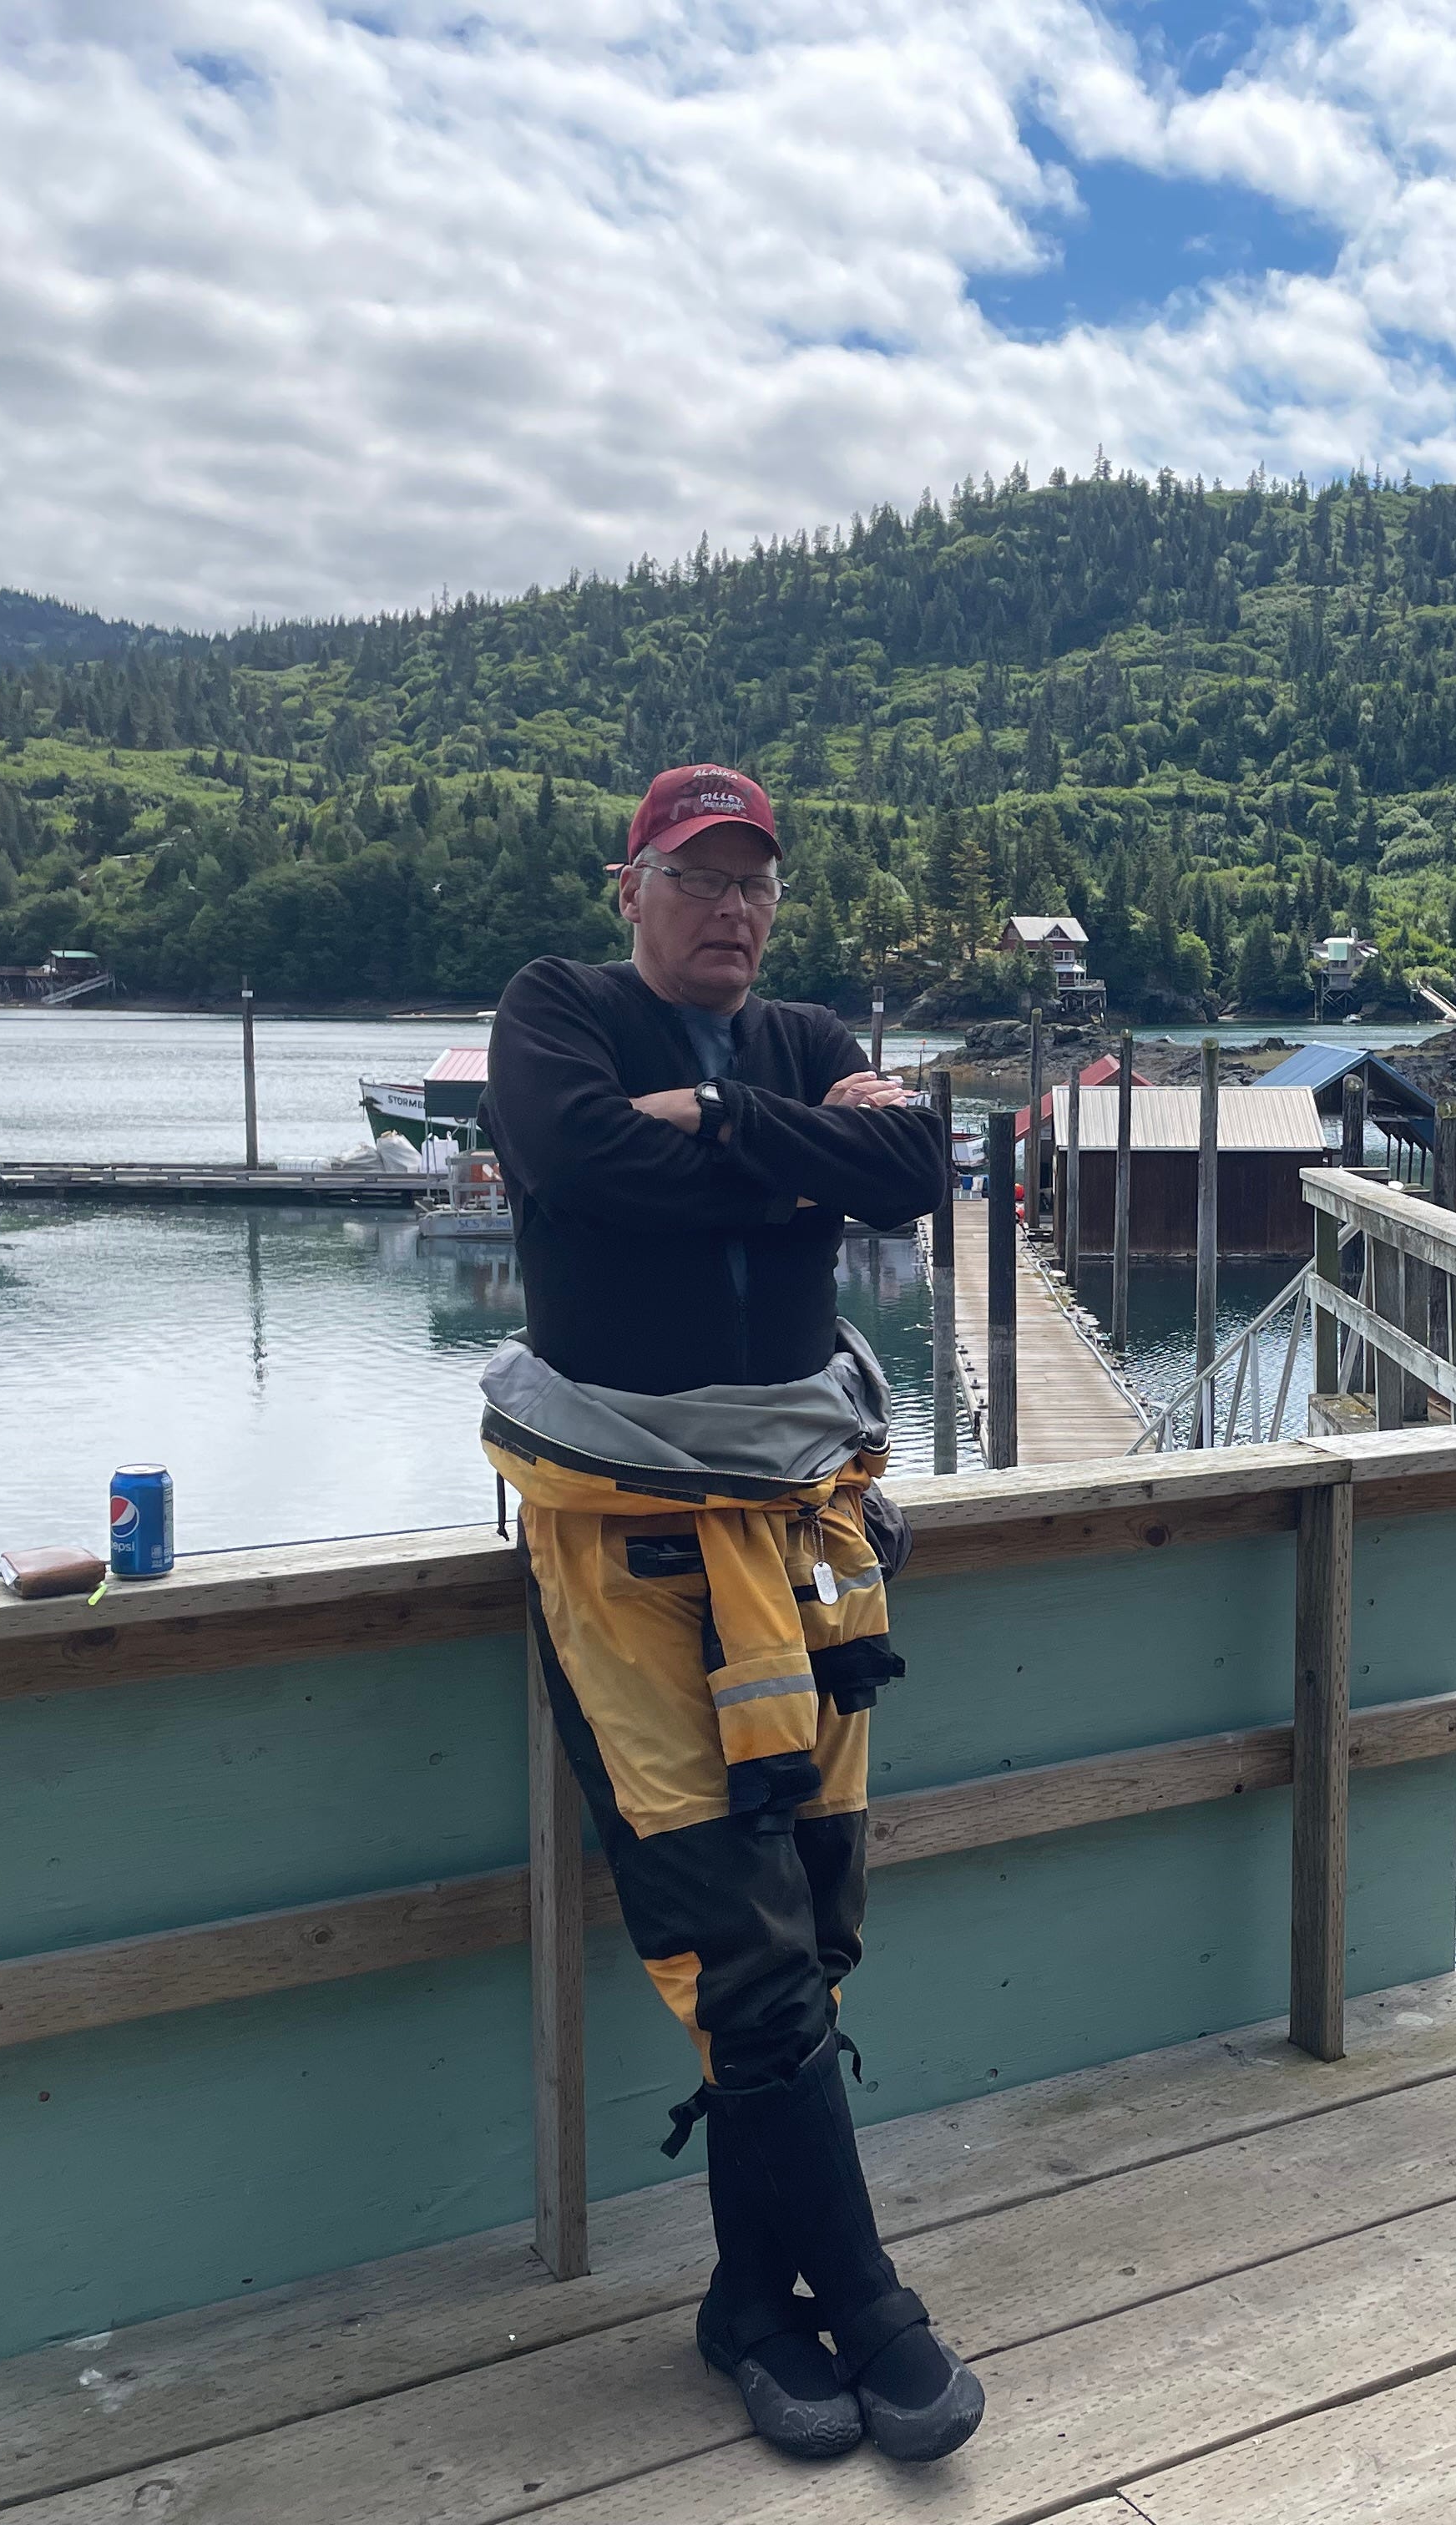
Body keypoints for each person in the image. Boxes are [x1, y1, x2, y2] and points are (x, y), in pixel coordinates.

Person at [474, 764, 979, 2466]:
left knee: (817, 1924)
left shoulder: (796, 1030)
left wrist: (727, 1134)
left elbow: (914, 1166)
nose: (734, 910)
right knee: (737, 1944)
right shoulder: (559, 1010)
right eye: (699, 879)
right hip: (622, 1548)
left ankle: (752, 2311)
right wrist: (787, 1157)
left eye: (756, 881)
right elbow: (577, 1163)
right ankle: (872, 2305)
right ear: (633, 886)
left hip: (810, 1535)